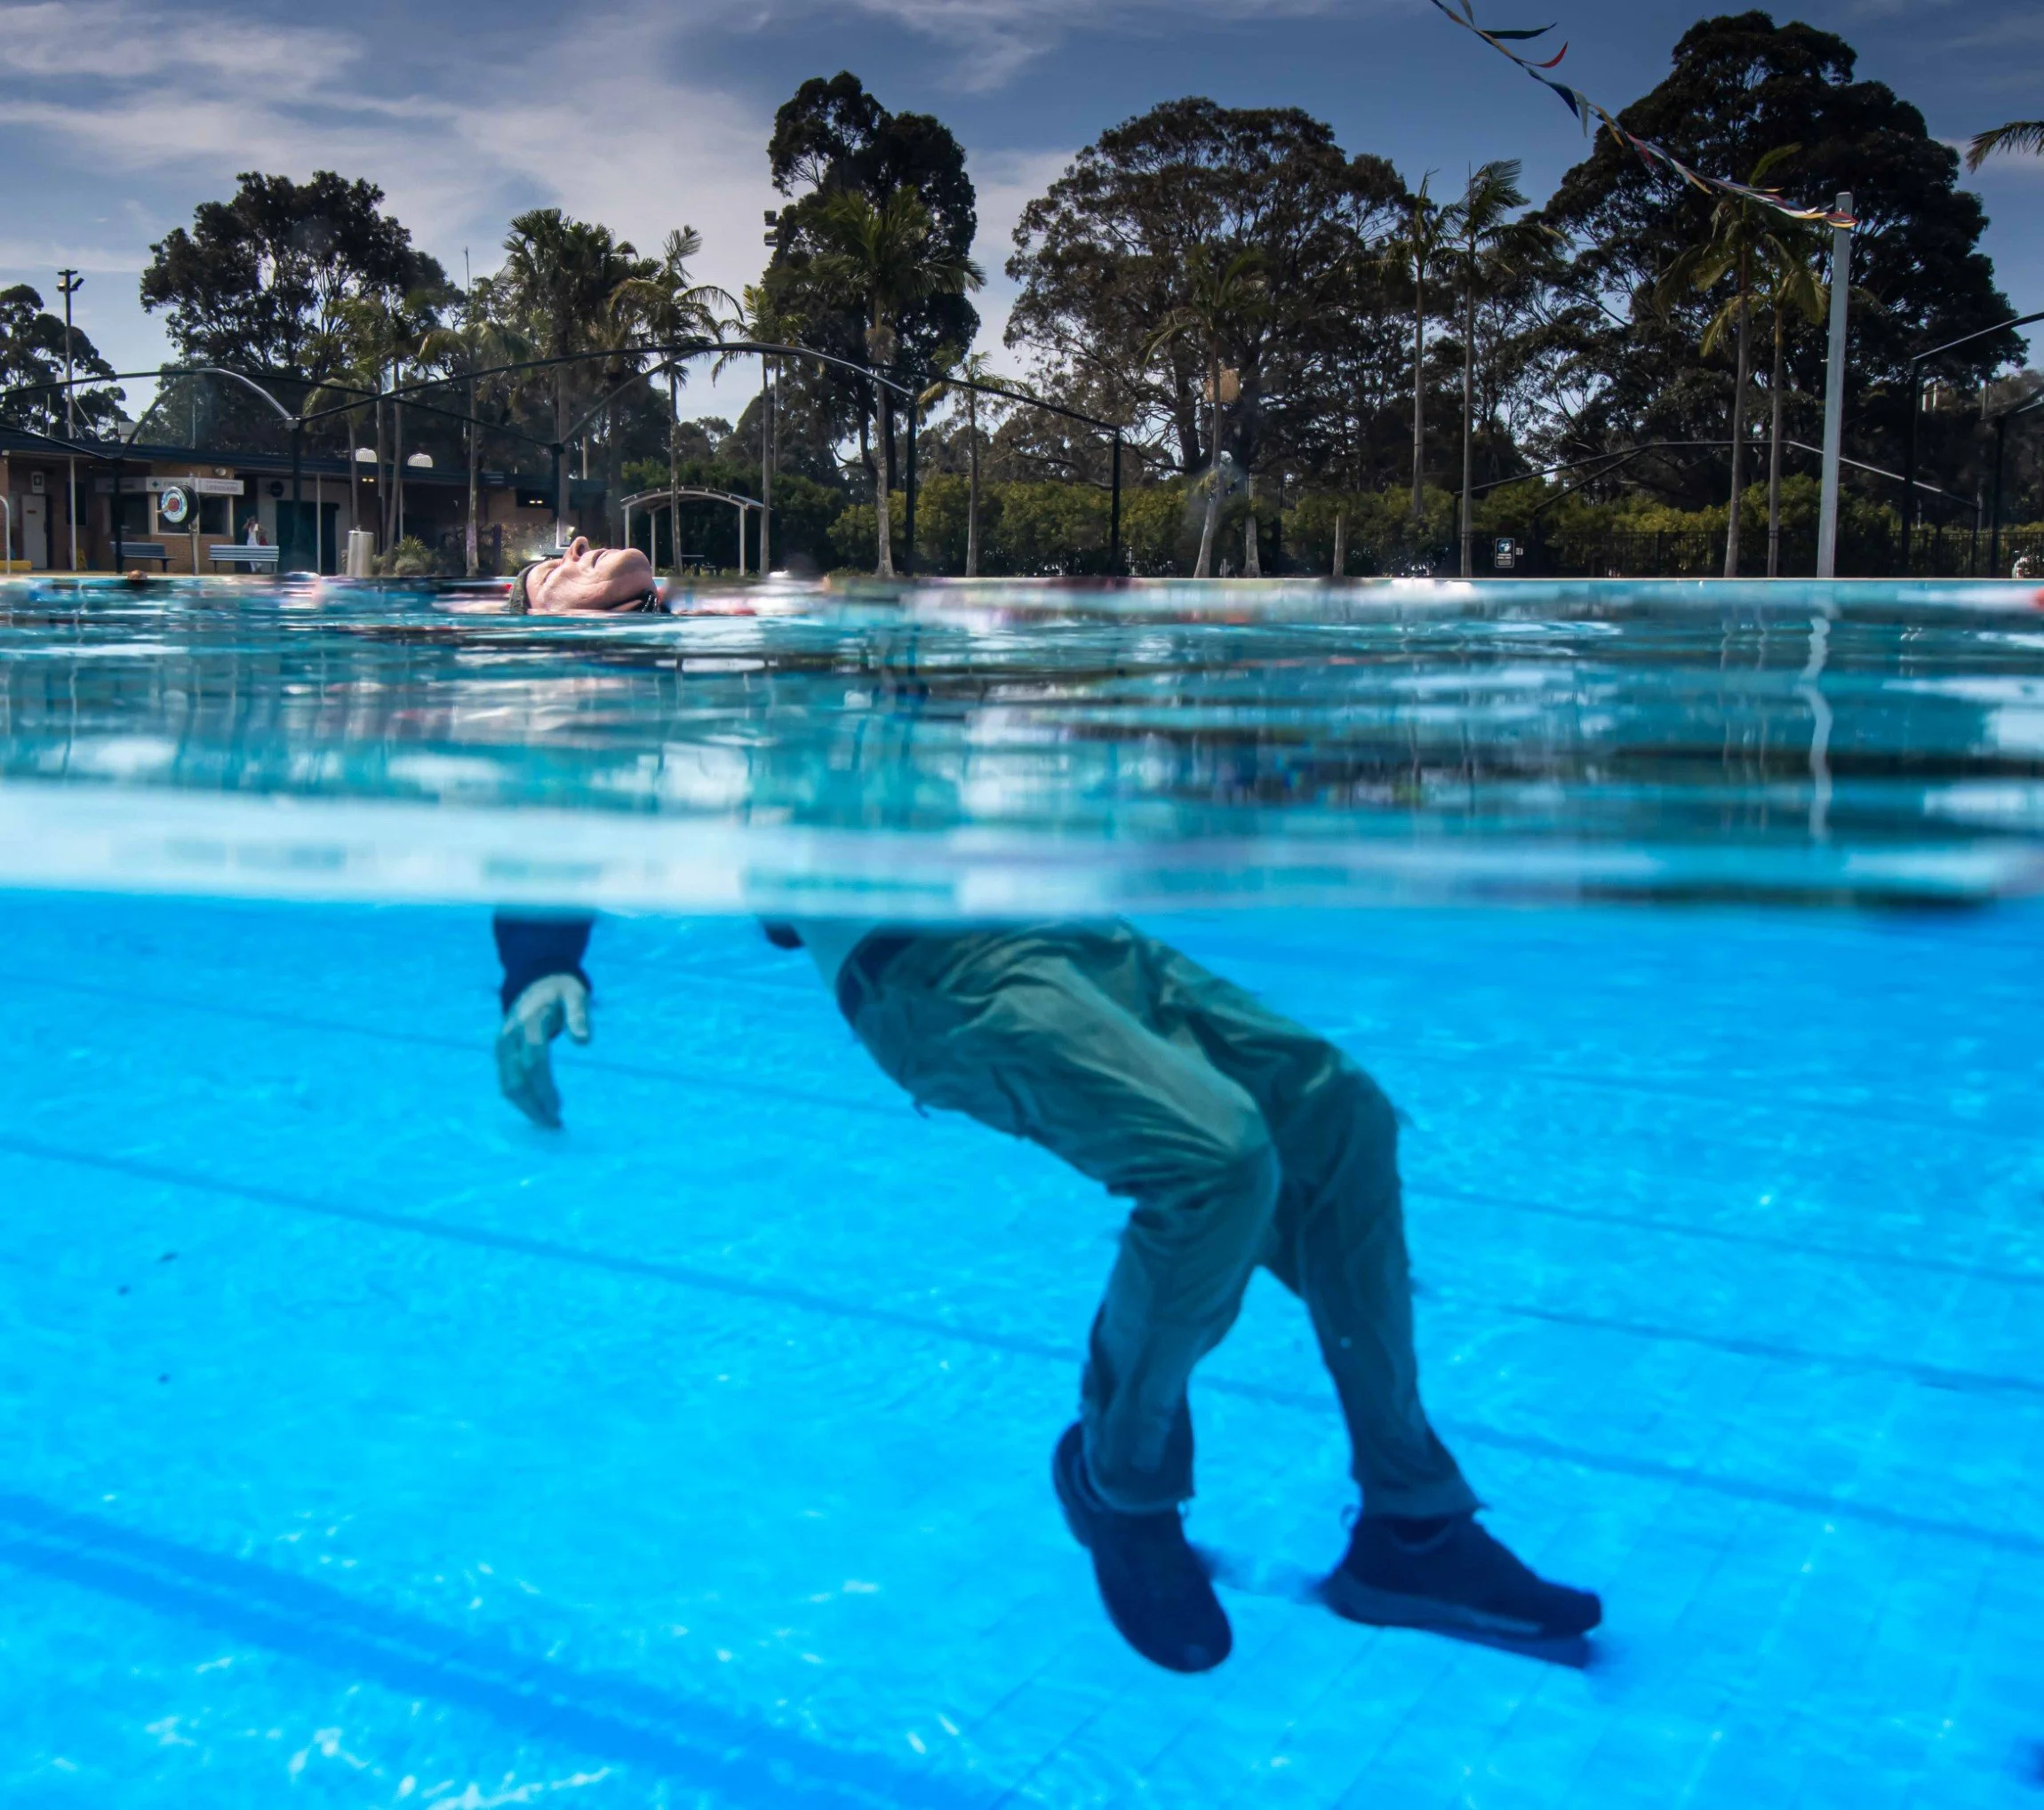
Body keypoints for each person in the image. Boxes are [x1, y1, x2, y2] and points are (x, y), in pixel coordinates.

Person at [488, 552, 1602, 1675]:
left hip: (1064, 922)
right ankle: (1119, 1486)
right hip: (928, 971)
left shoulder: (741, 632)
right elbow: (558, 820)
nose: (579, 548)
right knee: (1214, 1159)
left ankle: (1410, 1527)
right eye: (552, 564)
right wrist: (540, 967)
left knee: (1340, 1113)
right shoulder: (595, 698)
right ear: (534, 625)